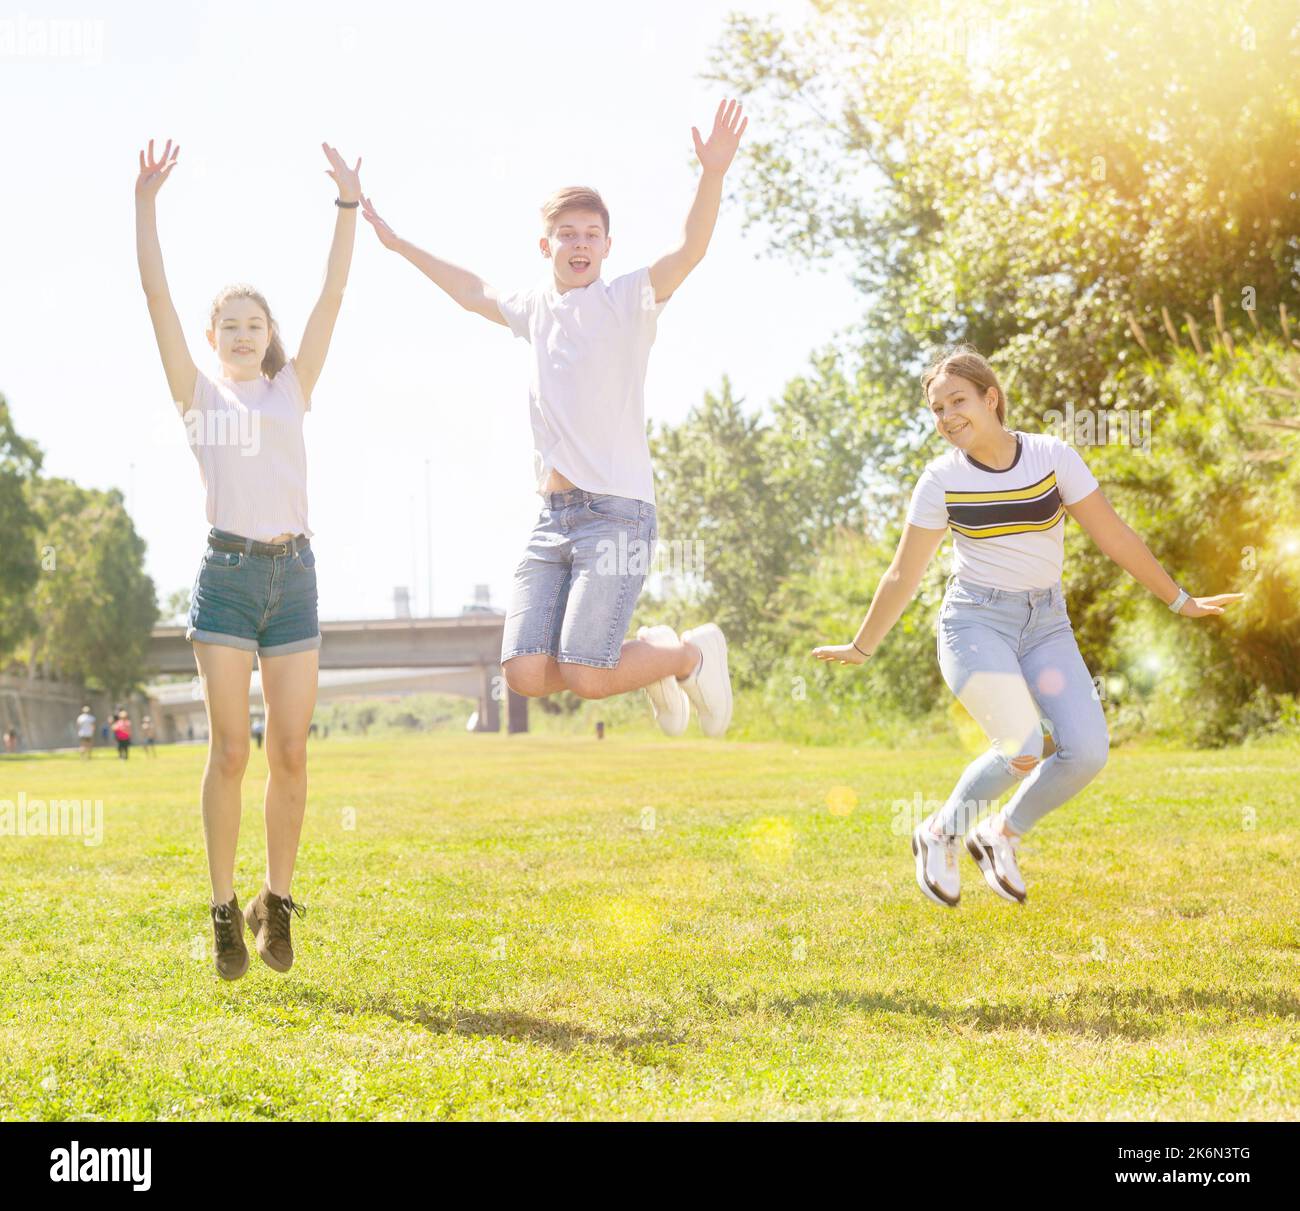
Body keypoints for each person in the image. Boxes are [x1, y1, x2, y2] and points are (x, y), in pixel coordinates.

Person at [360, 101, 750, 739]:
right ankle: (652, 656)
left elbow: (690, 250)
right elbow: (470, 290)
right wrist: (399, 244)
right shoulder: (534, 308)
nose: (579, 244)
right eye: (567, 234)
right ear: (546, 245)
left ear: (606, 245)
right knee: (526, 671)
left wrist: (711, 174)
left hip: (618, 512)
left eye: (591, 234)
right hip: (553, 519)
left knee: (587, 674)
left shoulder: (627, 300)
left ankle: (688, 654)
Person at [813, 345, 1242, 908]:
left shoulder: (1051, 457)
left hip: (1046, 625)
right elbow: (902, 574)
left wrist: (1179, 598)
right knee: (1020, 743)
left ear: (991, 398)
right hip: (974, 621)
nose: (946, 418)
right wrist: (862, 646)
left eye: (957, 401)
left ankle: (1000, 833)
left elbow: (1115, 537)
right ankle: (939, 833)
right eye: (937, 410)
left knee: (1086, 751)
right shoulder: (941, 480)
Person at [135, 136, 361, 979]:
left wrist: (346, 205)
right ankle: (224, 908)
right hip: (227, 579)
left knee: (291, 752)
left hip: (293, 577)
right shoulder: (196, 393)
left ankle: (279, 903)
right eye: (227, 325)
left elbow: (334, 294)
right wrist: (146, 205)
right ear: (211, 337)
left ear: (269, 335)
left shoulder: (292, 388)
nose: (240, 333)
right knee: (231, 750)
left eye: (253, 324)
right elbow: (154, 291)